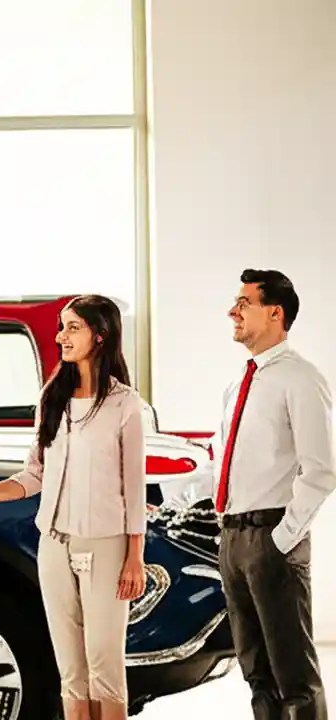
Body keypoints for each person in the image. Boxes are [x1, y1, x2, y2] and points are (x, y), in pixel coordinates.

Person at [0, 295, 147, 720]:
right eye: (62, 327)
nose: (60, 336)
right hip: (54, 545)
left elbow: (134, 489)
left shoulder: (125, 405)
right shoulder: (53, 397)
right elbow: (36, 474)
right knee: (70, 667)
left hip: (105, 544)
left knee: (104, 663)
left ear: (99, 336)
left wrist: (135, 557)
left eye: (72, 328)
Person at [215, 269, 333, 720]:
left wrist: (282, 538)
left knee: (294, 677)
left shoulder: (300, 379)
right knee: (255, 673)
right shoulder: (236, 386)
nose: (233, 311)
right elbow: (225, 461)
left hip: (272, 538)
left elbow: (321, 470)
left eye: (244, 302)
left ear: (275, 312)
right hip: (233, 540)